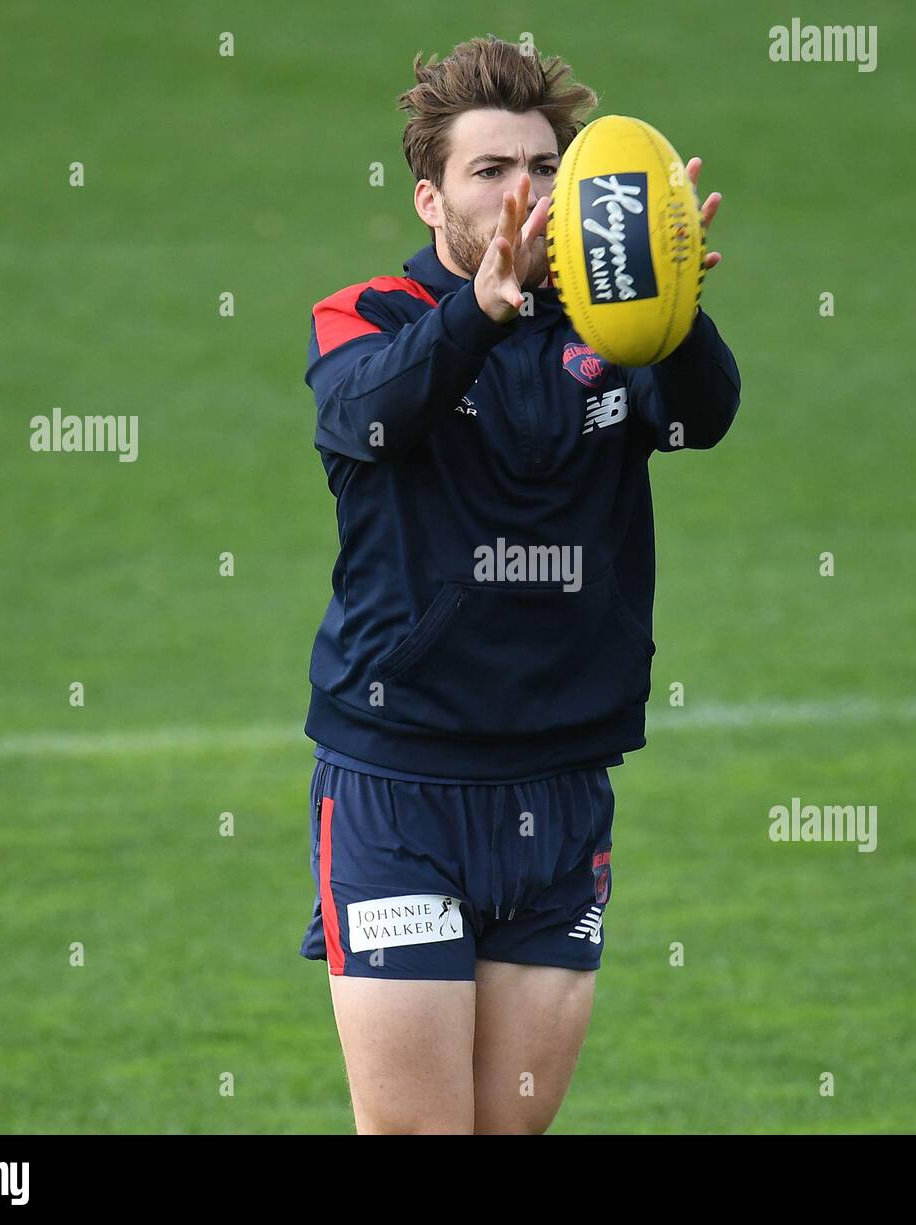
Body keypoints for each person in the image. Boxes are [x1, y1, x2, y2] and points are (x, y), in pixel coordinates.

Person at [298, 34, 739, 1134]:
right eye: (489, 170)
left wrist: (671, 303)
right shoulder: (372, 317)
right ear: (431, 198)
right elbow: (370, 417)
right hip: (401, 785)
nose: (522, 192)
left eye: (545, 168)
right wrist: (482, 311)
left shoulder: (610, 318)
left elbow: (703, 418)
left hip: (561, 782)